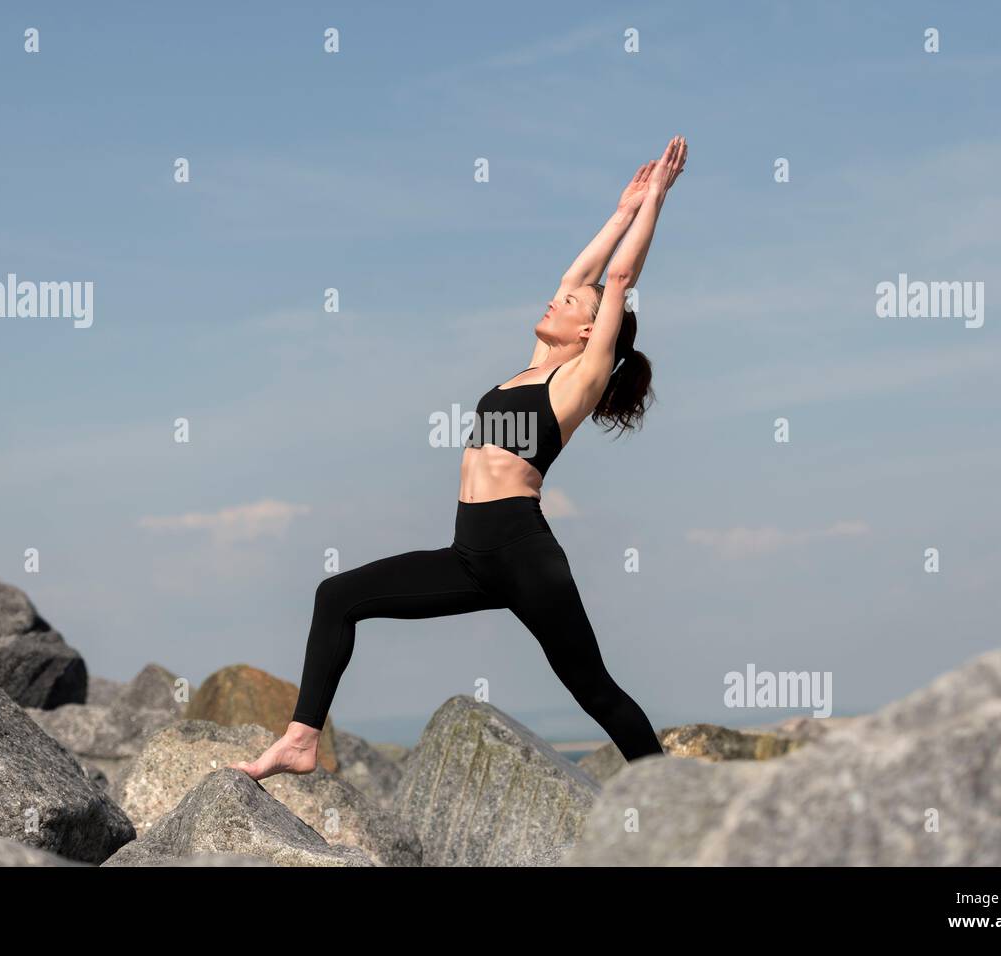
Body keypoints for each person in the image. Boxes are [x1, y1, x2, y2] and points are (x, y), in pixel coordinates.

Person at [231, 135, 688, 778]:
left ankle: (670, 798)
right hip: (468, 556)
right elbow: (579, 276)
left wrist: (657, 201)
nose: (558, 297)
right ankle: (301, 740)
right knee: (337, 595)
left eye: (573, 306)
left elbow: (616, 278)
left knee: (595, 690)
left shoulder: (579, 379)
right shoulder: (529, 371)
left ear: (592, 332)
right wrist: (621, 208)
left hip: (525, 555)